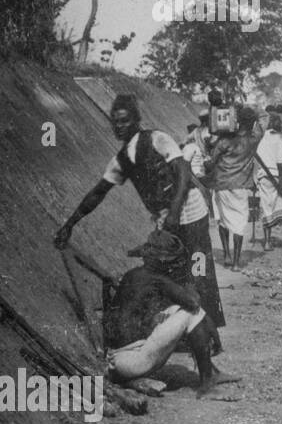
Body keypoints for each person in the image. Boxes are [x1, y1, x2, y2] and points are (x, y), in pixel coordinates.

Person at [54, 93, 227, 357]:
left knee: (199, 268)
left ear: (136, 120)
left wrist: (175, 212)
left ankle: (211, 340)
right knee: (171, 275)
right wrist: (70, 224)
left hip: (190, 210)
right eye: (115, 122)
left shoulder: (157, 139)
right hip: (165, 219)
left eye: (124, 120)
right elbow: (97, 193)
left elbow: (182, 172)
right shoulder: (122, 159)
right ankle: (187, 333)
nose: (119, 126)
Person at [103, 231, 238, 398]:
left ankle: (211, 372)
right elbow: (193, 302)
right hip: (132, 362)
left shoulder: (134, 275)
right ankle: (207, 385)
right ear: (163, 262)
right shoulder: (157, 279)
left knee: (177, 311)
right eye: (173, 263)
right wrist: (187, 280)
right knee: (192, 313)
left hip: (116, 361)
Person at [208, 104, 260, 270]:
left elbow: (211, 163)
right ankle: (237, 262)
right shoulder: (252, 140)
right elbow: (264, 118)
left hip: (222, 185)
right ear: (251, 123)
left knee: (223, 220)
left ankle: (226, 255)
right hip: (240, 187)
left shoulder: (224, 141)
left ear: (237, 121)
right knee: (238, 223)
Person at [256, 111, 282, 249]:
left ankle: (267, 242)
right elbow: (280, 162)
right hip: (277, 175)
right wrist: (281, 183)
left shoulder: (260, 137)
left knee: (267, 208)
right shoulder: (280, 137)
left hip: (263, 176)